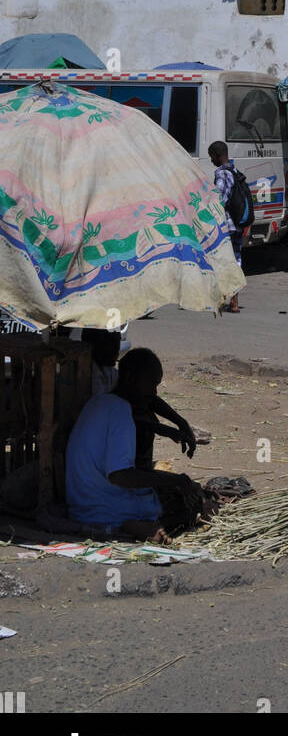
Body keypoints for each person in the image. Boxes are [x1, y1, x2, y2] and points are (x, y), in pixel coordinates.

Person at [66, 348, 205, 544]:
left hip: (79, 505)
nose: (154, 393)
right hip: (102, 511)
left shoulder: (99, 401)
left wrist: (178, 424)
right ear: (131, 378)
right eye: (152, 385)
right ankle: (136, 525)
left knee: (169, 488)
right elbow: (120, 476)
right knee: (189, 504)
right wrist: (177, 481)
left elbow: (150, 400)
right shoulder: (121, 412)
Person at [208, 139, 245, 313]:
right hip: (237, 224)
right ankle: (234, 301)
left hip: (226, 225)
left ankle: (228, 299)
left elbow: (219, 201)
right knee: (236, 259)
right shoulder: (235, 171)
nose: (211, 160)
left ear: (218, 155)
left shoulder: (222, 174)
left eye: (211, 156)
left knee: (222, 260)